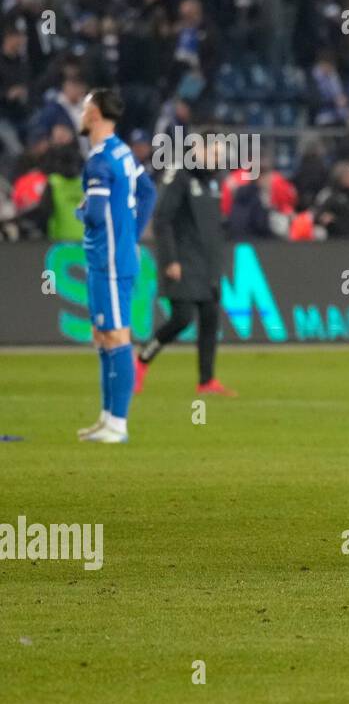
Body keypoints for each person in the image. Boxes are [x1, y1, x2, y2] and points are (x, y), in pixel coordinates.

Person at [75, 88, 156, 443]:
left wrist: (81, 212)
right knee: (103, 335)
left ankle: (118, 424)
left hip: (108, 259)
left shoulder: (100, 161)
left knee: (117, 335)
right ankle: (107, 419)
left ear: (94, 114)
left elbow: (94, 214)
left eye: (84, 109)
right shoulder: (122, 151)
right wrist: (132, 235)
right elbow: (148, 192)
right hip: (113, 256)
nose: (81, 115)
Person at [134, 141, 233, 396]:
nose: (218, 159)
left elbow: (214, 226)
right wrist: (170, 259)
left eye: (220, 154)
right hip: (183, 260)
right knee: (182, 318)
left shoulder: (213, 182)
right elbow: (162, 219)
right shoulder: (178, 175)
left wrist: (217, 261)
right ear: (198, 150)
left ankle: (207, 381)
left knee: (210, 318)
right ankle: (141, 360)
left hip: (207, 262)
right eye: (214, 153)